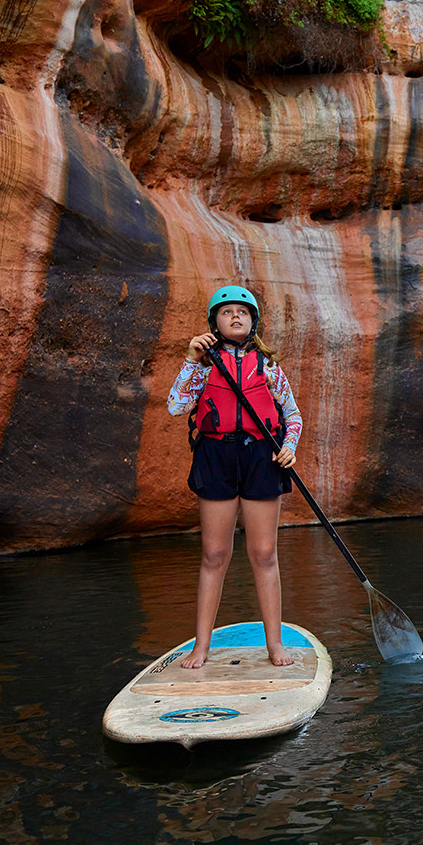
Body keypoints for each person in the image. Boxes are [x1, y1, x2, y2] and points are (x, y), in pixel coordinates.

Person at [165, 286, 303, 669]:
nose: (235, 316)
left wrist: (289, 445)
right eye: (226, 312)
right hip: (216, 456)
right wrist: (191, 360)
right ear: (215, 324)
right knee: (214, 554)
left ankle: (274, 644)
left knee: (264, 553)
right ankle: (201, 647)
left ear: (253, 321)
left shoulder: (268, 367)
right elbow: (176, 405)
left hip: (262, 457)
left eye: (242, 311)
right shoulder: (203, 366)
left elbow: (292, 415)